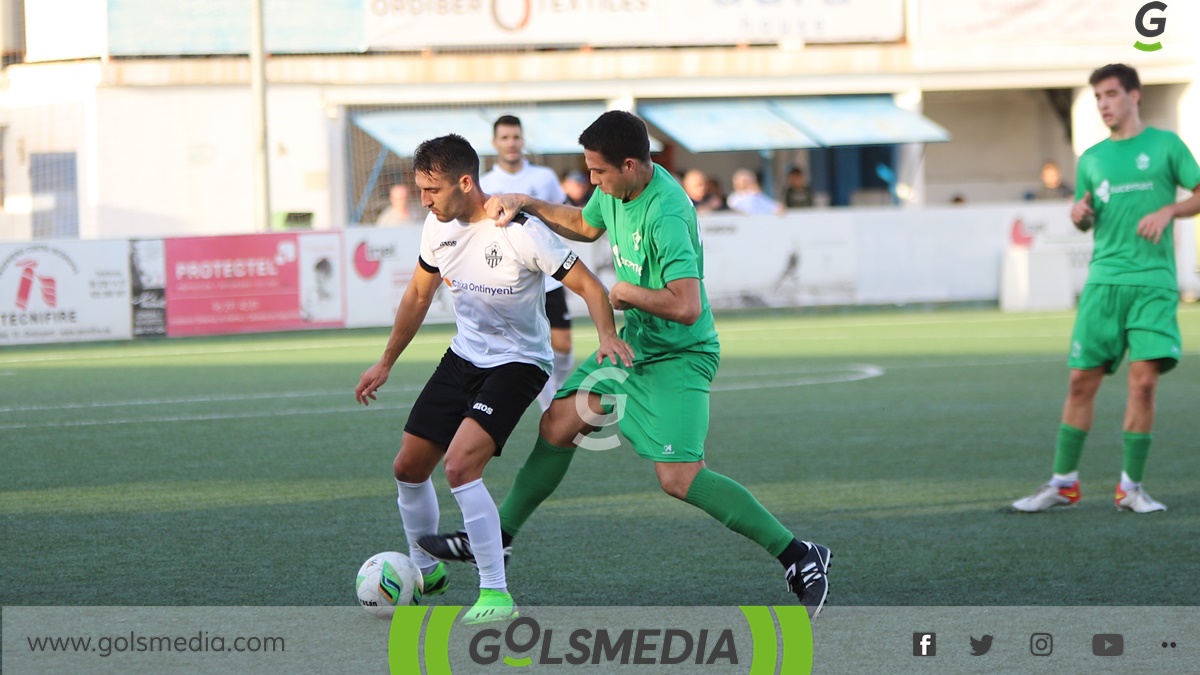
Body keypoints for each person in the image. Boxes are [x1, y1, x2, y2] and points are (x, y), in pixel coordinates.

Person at [417, 111, 833, 618]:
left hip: (678, 354)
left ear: (631, 165)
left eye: (598, 172)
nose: (592, 181)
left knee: (678, 479)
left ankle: (799, 555)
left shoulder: (667, 214)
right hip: (631, 343)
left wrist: (627, 292)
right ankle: (498, 537)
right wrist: (527, 202)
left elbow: (687, 306)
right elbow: (583, 225)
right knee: (558, 423)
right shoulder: (616, 191)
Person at [355, 134, 632, 624]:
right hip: (464, 357)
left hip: (519, 364)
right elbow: (418, 297)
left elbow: (591, 286)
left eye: (432, 190)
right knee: (408, 467)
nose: (425, 201)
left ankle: (496, 593)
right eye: (420, 191)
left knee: (460, 468)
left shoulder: (520, 232)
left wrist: (607, 335)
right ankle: (426, 571)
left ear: (465, 182)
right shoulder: (434, 228)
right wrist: (386, 362)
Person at [1010, 64, 1200, 514]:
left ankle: (1130, 488)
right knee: (1079, 382)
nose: (1103, 104)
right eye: (1098, 97)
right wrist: (1080, 217)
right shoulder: (1091, 158)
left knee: (1144, 385)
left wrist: (1170, 211)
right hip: (1102, 282)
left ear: (1134, 96)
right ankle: (1063, 484)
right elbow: (1090, 214)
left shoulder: (1166, 145)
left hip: (1152, 284)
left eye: (1111, 94)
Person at [480, 115, 577, 412]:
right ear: (495, 143)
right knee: (527, 349)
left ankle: (555, 387)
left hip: (549, 275)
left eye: (516, 137)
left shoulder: (544, 177)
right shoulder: (487, 184)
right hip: (513, 281)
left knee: (562, 346)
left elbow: (562, 214)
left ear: (523, 141)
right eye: (505, 138)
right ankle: (551, 409)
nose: (512, 143)